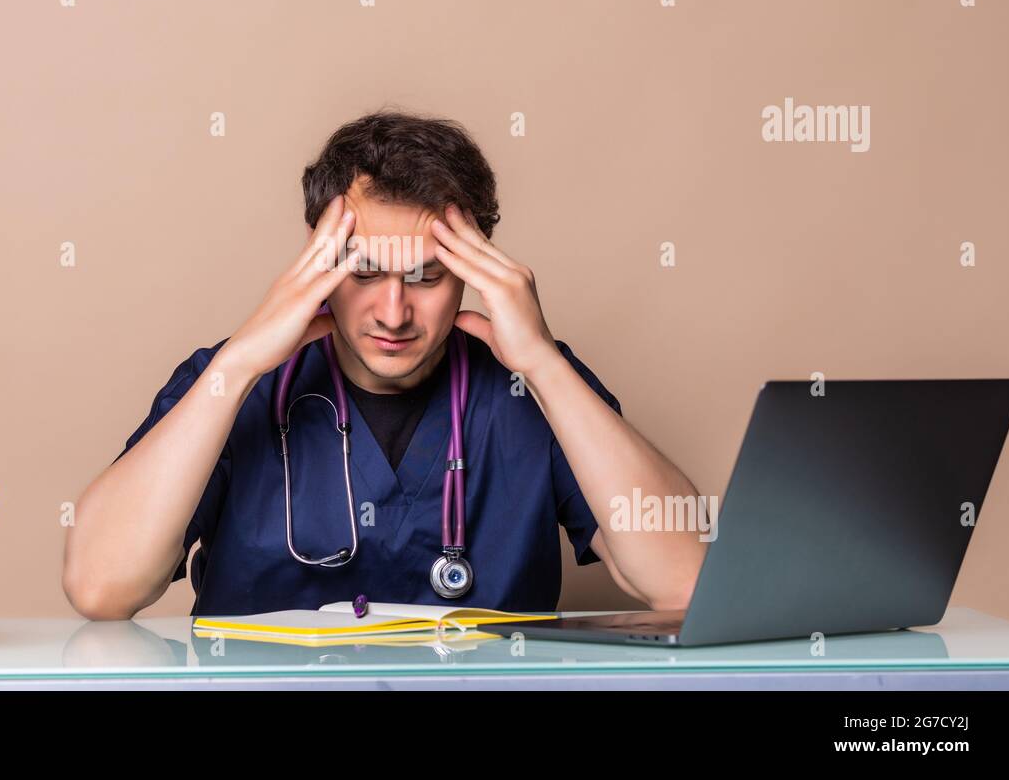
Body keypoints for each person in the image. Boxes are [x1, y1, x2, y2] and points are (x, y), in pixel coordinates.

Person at [63, 110, 705, 618]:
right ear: (317, 261)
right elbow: (100, 588)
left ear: (474, 273)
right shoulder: (234, 383)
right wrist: (242, 361)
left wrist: (541, 361)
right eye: (363, 271)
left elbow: (687, 582)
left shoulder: (533, 387)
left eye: (426, 276)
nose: (393, 312)